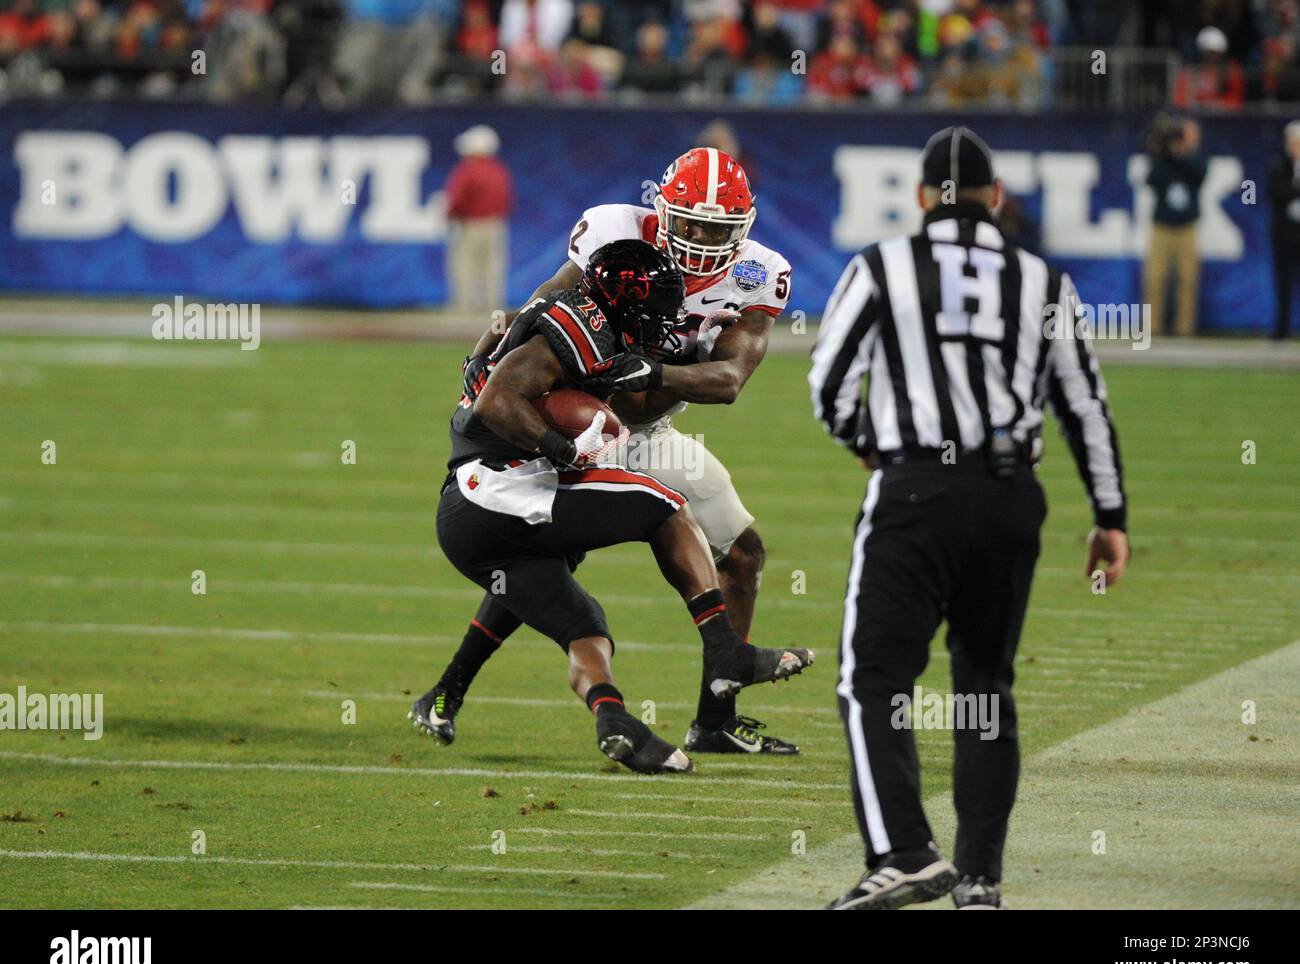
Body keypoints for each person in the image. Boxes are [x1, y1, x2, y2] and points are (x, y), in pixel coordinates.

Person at [809, 125, 1129, 910]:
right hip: (1012, 497)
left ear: (920, 199)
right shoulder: (1042, 280)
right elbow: (1083, 404)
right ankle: (980, 877)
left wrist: (873, 445)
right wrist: (1110, 514)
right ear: (998, 199)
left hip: (917, 487)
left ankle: (904, 851)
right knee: (984, 683)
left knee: (873, 678)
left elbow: (828, 386)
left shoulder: (881, 265)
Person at [420, 147, 803, 756]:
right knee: (548, 561)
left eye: (717, 229)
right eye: (691, 222)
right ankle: (450, 689)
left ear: (745, 229)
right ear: (661, 211)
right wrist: (502, 355)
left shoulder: (760, 273)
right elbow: (546, 306)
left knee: (744, 553)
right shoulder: (614, 232)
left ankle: (714, 719)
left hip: (649, 433)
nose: (702, 239)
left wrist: (643, 370)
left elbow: (729, 381)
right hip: (584, 427)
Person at [1143, 114, 1206, 337]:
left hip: (1187, 226)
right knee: (1155, 277)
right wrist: (1167, 152)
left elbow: (1199, 175)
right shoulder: (1162, 158)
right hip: (1162, 226)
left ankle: (1184, 329)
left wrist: (1181, 153)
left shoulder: (1197, 159)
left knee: (1188, 278)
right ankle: (1153, 326)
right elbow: (1151, 179)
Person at [445, 125, 513, 314]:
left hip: (471, 225)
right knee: (493, 269)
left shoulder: (468, 170)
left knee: (465, 267)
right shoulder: (499, 170)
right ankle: (492, 309)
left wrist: (450, 215)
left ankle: (464, 309)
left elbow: (456, 199)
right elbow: (508, 199)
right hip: (496, 225)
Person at [1268, 120, 1300, 340]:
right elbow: (1278, 193)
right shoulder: (1278, 164)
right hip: (1285, 232)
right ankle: (1282, 329)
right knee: (1283, 281)